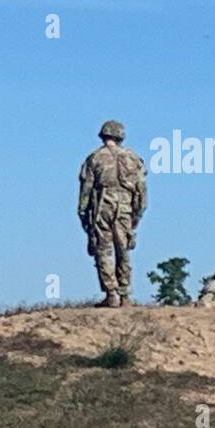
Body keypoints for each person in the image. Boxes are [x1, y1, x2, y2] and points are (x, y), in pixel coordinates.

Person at [77, 120, 146, 308]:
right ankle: (124, 294)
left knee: (103, 249)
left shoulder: (94, 158)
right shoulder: (133, 158)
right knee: (123, 248)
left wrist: (83, 212)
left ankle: (112, 293)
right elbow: (141, 190)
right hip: (125, 206)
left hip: (103, 204)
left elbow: (86, 189)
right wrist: (137, 214)